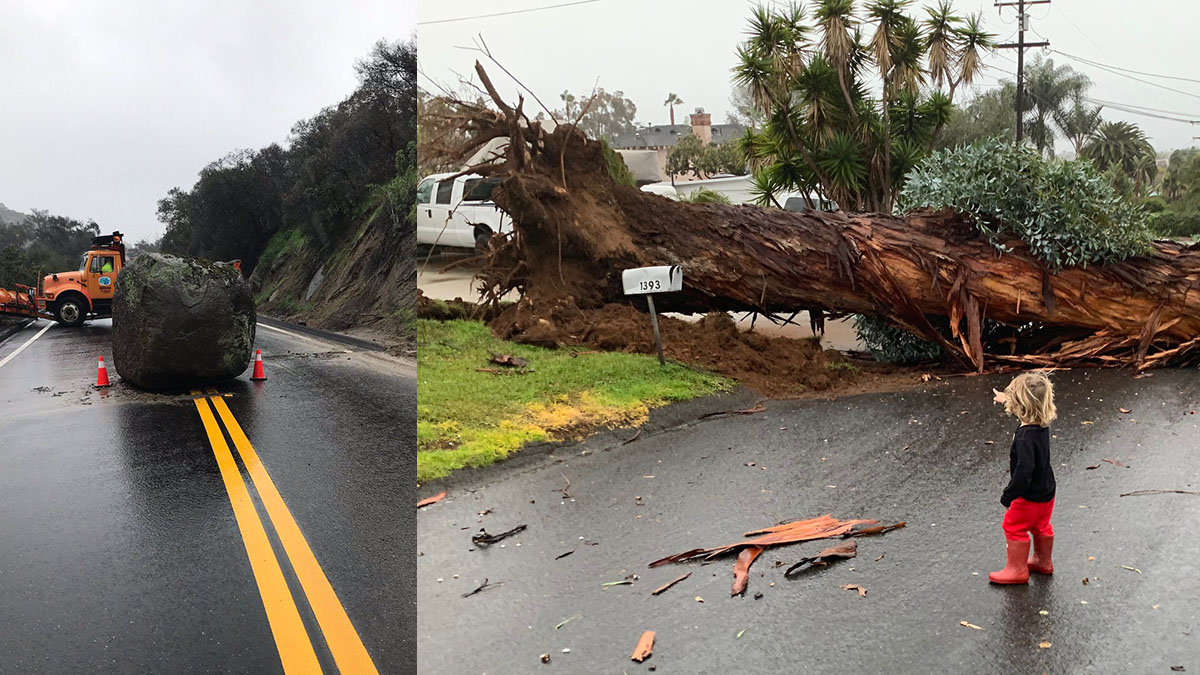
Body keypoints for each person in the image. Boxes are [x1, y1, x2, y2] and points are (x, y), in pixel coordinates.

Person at [988, 372, 1057, 585]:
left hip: (1028, 495)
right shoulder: (1041, 425)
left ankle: (1016, 570)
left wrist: (1008, 495)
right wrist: (1006, 399)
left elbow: (1024, 472)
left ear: (1019, 405)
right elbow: (1028, 406)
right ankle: (1043, 562)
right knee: (1041, 525)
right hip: (1046, 491)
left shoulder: (1025, 437)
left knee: (1013, 526)